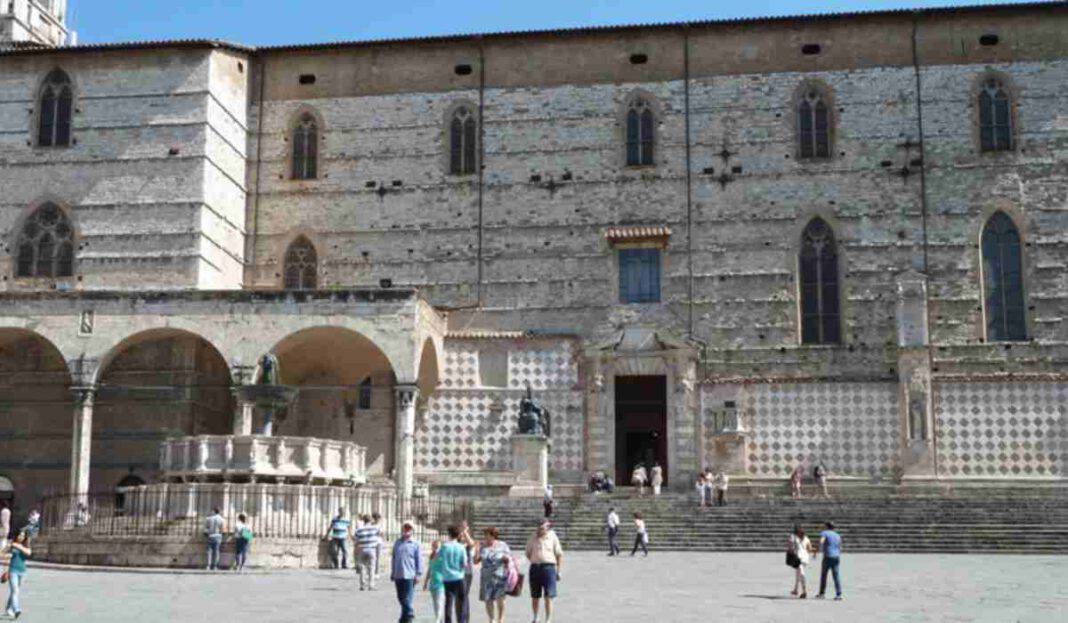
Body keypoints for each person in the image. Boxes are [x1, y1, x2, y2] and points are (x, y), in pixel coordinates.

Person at [525, 519, 562, 623]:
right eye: (539, 527)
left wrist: (558, 571)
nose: (540, 530)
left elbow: (559, 554)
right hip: (535, 568)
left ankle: (548, 619)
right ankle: (536, 617)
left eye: (543, 528)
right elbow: (528, 553)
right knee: (535, 596)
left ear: (548, 528)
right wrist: (536, 560)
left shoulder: (553, 537)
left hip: (549, 568)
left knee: (548, 596)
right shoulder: (532, 537)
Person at [475, 526, 511, 623]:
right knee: (488, 599)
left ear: (493, 535)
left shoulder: (502, 545)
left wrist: (505, 559)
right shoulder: (482, 546)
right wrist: (477, 549)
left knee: (500, 599)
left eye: (486, 534)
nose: (485, 537)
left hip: (500, 576)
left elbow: (509, 558)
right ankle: (491, 619)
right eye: (484, 535)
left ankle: (501, 619)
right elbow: (475, 561)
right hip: (486, 578)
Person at [391, 521, 423, 623]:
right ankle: (404, 618)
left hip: (410, 575)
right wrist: (393, 572)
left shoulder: (415, 544)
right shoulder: (397, 542)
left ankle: (409, 614)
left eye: (409, 528)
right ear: (402, 529)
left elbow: (419, 560)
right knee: (400, 598)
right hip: (398, 574)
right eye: (405, 528)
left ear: (412, 530)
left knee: (407, 598)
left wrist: (418, 574)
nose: (407, 530)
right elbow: (394, 558)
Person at [437, 525, 468, 623]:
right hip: (459, 577)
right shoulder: (461, 547)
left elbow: (438, 558)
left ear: (449, 534)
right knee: (462, 601)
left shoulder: (445, 546)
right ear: (458, 535)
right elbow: (464, 563)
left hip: (447, 578)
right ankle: (462, 621)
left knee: (449, 602)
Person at [4, 531, 30, 619]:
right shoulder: (12, 545)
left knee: (14, 591)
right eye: (20, 535)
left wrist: (18, 546)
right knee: (15, 591)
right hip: (13, 570)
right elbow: (2, 553)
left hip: (22, 571)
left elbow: (28, 553)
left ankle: (8, 608)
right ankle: (16, 610)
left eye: (23, 536)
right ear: (17, 535)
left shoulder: (25, 546)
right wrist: (8, 551)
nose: (21, 537)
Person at [816, 521, 843, 601]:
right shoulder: (837, 535)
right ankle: (839, 594)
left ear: (827, 526)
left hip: (827, 556)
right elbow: (840, 547)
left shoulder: (824, 533)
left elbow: (821, 541)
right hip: (836, 557)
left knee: (824, 575)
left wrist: (819, 549)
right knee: (836, 576)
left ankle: (822, 594)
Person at [355, 514, 381, 590]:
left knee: (362, 568)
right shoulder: (375, 528)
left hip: (362, 549)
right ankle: (371, 585)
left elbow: (356, 540)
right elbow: (380, 534)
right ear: (370, 520)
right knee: (371, 568)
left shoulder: (359, 529)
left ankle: (362, 585)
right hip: (371, 549)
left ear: (363, 520)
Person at [787, 524, 814, 598]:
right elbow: (809, 549)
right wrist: (814, 551)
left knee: (801, 573)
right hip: (805, 558)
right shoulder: (806, 538)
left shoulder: (793, 537)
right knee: (798, 573)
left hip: (798, 558)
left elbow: (790, 547)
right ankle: (795, 589)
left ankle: (804, 591)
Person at [423, 540, 446, 623]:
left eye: (437, 546)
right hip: (433, 583)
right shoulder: (431, 556)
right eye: (434, 546)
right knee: (435, 605)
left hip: (441, 583)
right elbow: (429, 570)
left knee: (439, 603)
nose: (435, 548)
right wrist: (425, 583)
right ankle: (440, 620)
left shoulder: (443, 557)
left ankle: (437, 620)